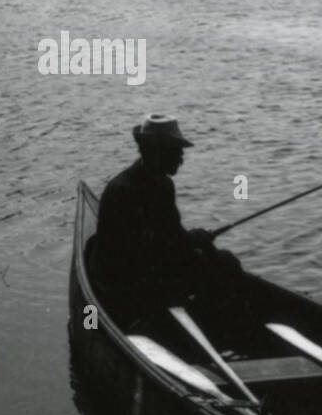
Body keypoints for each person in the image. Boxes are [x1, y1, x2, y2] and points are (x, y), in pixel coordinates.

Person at [92, 113, 245, 327]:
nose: (181, 159)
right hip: (124, 280)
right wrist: (193, 240)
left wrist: (197, 243)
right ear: (156, 153)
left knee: (225, 261)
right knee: (208, 266)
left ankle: (222, 324)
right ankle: (195, 325)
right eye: (176, 152)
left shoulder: (164, 185)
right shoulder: (122, 191)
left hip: (152, 267)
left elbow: (172, 234)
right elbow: (132, 254)